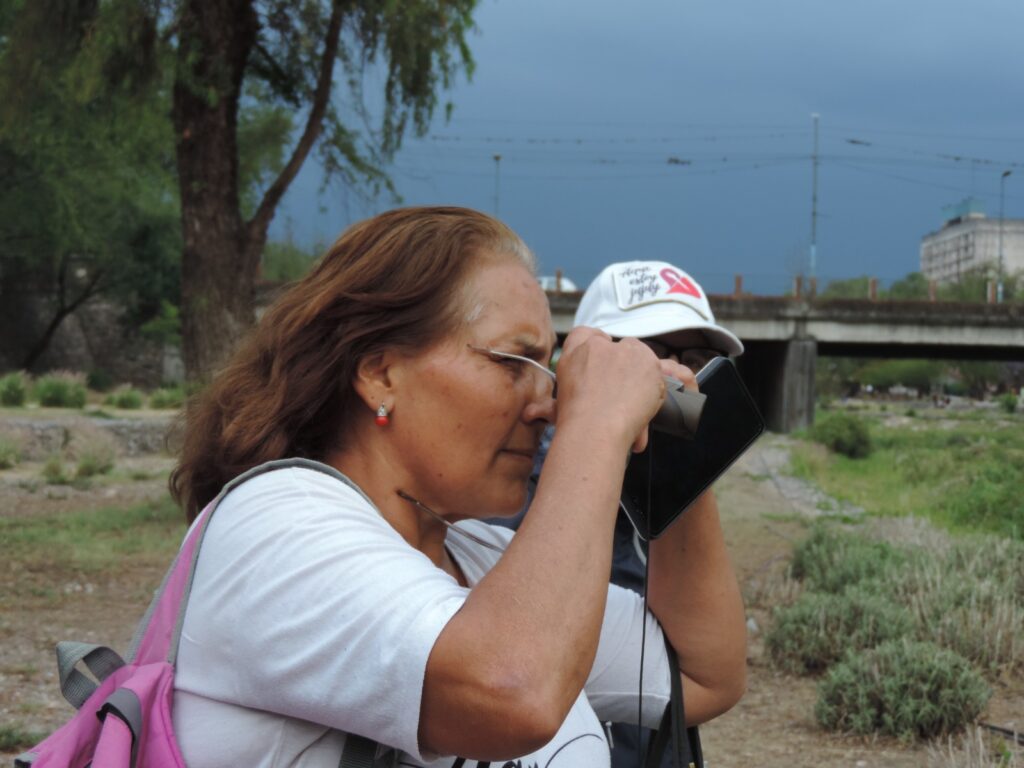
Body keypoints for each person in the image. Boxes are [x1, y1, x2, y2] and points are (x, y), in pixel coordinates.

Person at [169, 207, 746, 767]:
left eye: (549, 371)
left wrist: (674, 457)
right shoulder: (273, 528)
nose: (546, 406)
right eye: (514, 362)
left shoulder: (479, 557)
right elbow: (514, 692)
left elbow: (700, 674)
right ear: (380, 372)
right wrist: (597, 423)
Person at [573, 260, 745, 766]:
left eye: (699, 357)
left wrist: (680, 461)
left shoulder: (669, 492)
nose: (678, 374)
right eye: (648, 353)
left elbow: (704, 675)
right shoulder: (503, 494)